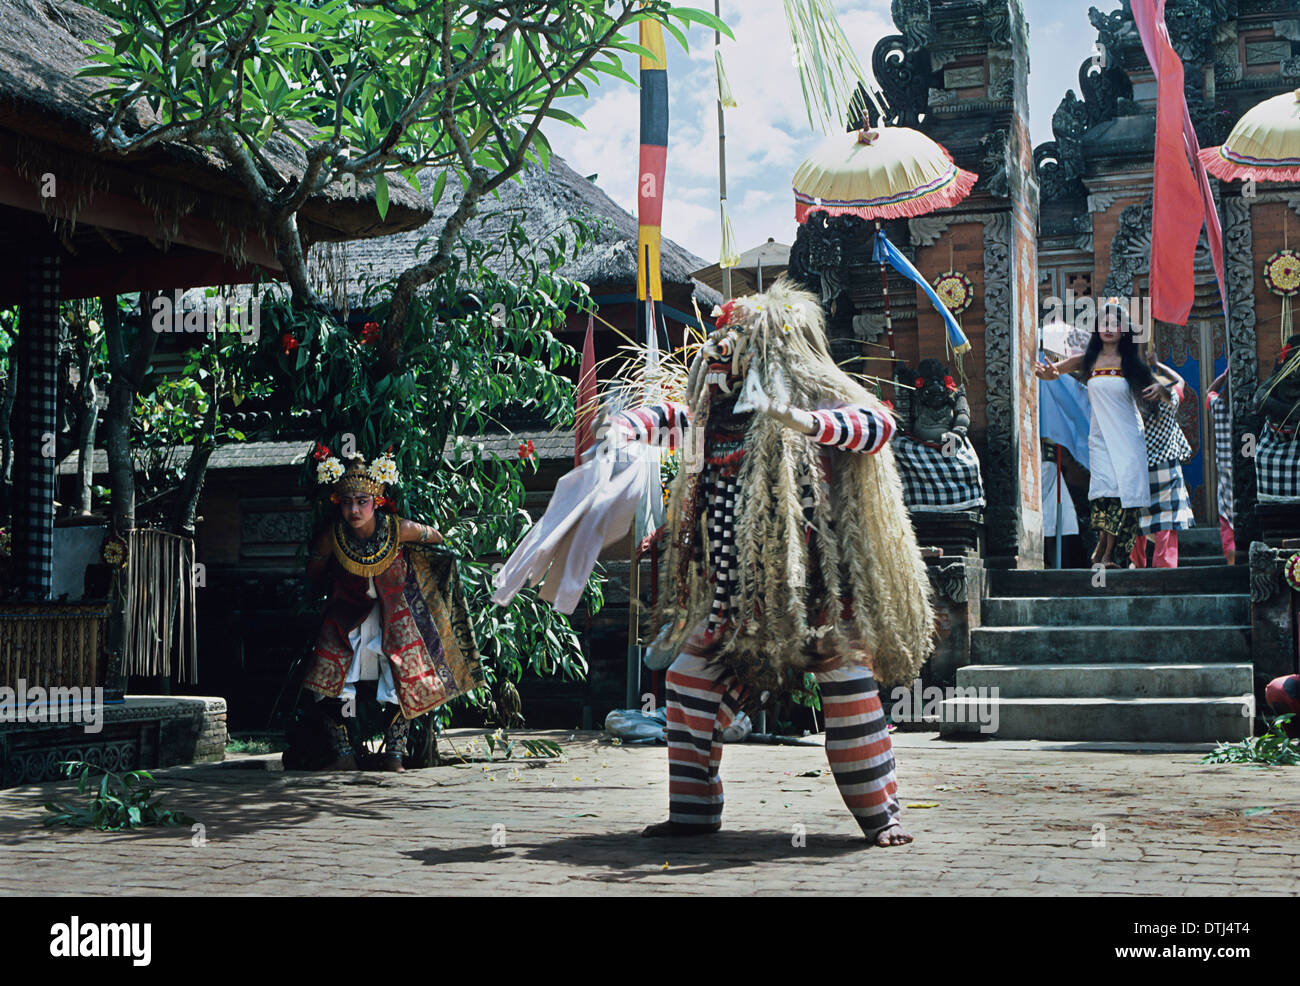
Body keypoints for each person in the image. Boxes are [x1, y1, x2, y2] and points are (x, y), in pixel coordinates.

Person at [608, 279, 936, 847]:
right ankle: (692, 813)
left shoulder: (815, 399)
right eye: (723, 340)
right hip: (732, 606)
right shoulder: (710, 417)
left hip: (817, 606)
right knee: (687, 679)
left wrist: (805, 423)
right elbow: (672, 419)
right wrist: (624, 428)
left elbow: (877, 424)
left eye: (740, 341)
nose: (723, 351)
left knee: (850, 690)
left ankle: (882, 817)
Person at [301, 451, 477, 771]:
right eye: (347, 502)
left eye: (362, 501)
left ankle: (394, 756)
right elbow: (314, 572)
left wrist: (422, 578)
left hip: (396, 616)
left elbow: (437, 539)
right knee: (325, 680)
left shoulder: (401, 529)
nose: (354, 509)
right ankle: (344, 756)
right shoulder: (332, 538)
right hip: (346, 618)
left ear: (377, 501)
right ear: (337, 503)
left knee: (401, 682)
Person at [1035, 299, 1160, 568]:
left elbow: (1159, 392)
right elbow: (1056, 372)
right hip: (1100, 439)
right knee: (1105, 492)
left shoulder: (1131, 364)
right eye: (1103, 322)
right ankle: (1102, 551)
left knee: (1124, 493)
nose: (1109, 327)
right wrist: (1047, 373)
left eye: (1115, 323)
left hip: (1128, 438)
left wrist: (1160, 389)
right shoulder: (1088, 360)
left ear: (1125, 330)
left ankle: (1109, 555)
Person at [1129, 357, 1194, 568]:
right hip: (1167, 467)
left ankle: (1137, 563)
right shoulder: (1169, 402)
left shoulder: (1133, 409)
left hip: (1140, 468)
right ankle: (1164, 564)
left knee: (1139, 520)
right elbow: (1180, 381)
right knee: (1166, 521)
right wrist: (1158, 364)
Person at [1206, 368, 1234, 564]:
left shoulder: (1218, 406)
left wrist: (1224, 376)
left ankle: (1231, 560)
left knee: (1226, 515)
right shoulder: (1247, 409)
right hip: (1245, 468)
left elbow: (1209, 391)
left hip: (1225, 468)